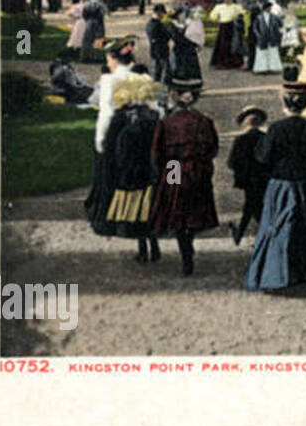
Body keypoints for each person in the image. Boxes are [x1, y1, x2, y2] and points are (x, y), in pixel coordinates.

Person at [244, 83, 306, 291]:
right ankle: (302, 273)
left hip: (281, 184)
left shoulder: (276, 128)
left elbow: (263, 156)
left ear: (285, 104)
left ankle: (276, 274)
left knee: (277, 228)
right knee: (304, 227)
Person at [149, 76, 219, 277]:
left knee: (175, 207)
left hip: (174, 166)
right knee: (196, 208)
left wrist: (162, 171)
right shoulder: (204, 121)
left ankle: (185, 247)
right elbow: (213, 149)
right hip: (197, 167)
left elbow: (157, 152)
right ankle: (189, 243)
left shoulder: (167, 122)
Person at [100, 74, 163, 263]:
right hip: (152, 174)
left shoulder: (127, 127)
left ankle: (144, 249)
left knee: (137, 215)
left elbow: (120, 154)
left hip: (133, 175)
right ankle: (154, 246)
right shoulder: (156, 122)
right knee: (149, 212)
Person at [227, 105, 270, 246]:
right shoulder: (265, 138)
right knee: (255, 206)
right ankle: (244, 234)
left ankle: (241, 234)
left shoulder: (240, 140)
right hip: (263, 179)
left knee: (251, 206)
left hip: (247, 180)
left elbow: (231, 162)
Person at [207, 0, 245, 69]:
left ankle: (235, 63)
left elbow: (242, 13)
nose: (227, 0)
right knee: (223, 45)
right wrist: (217, 19)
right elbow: (213, 16)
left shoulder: (236, 7)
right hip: (223, 26)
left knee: (234, 45)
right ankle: (221, 63)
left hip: (233, 26)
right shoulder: (219, 7)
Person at [252, 1, 284, 73]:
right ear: (264, 8)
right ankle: (261, 68)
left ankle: (274, 68)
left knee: (273, 53)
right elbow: (255, 28)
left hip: (272, 37)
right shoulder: (259, 17)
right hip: (262, 37)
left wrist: (277, 33)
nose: (269, 9)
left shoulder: (274, 17)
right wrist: (258, 35)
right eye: (268, 7)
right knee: (262, 53)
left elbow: (281, 24)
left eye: (270, 7)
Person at [146, 4, 171, 84]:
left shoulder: (150, 23)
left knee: (158, 68)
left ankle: (157, 83)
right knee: (165, 69)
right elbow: (165, 36)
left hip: (155, 49)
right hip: (161, 49)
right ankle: (164, 85)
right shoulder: (157, 25)